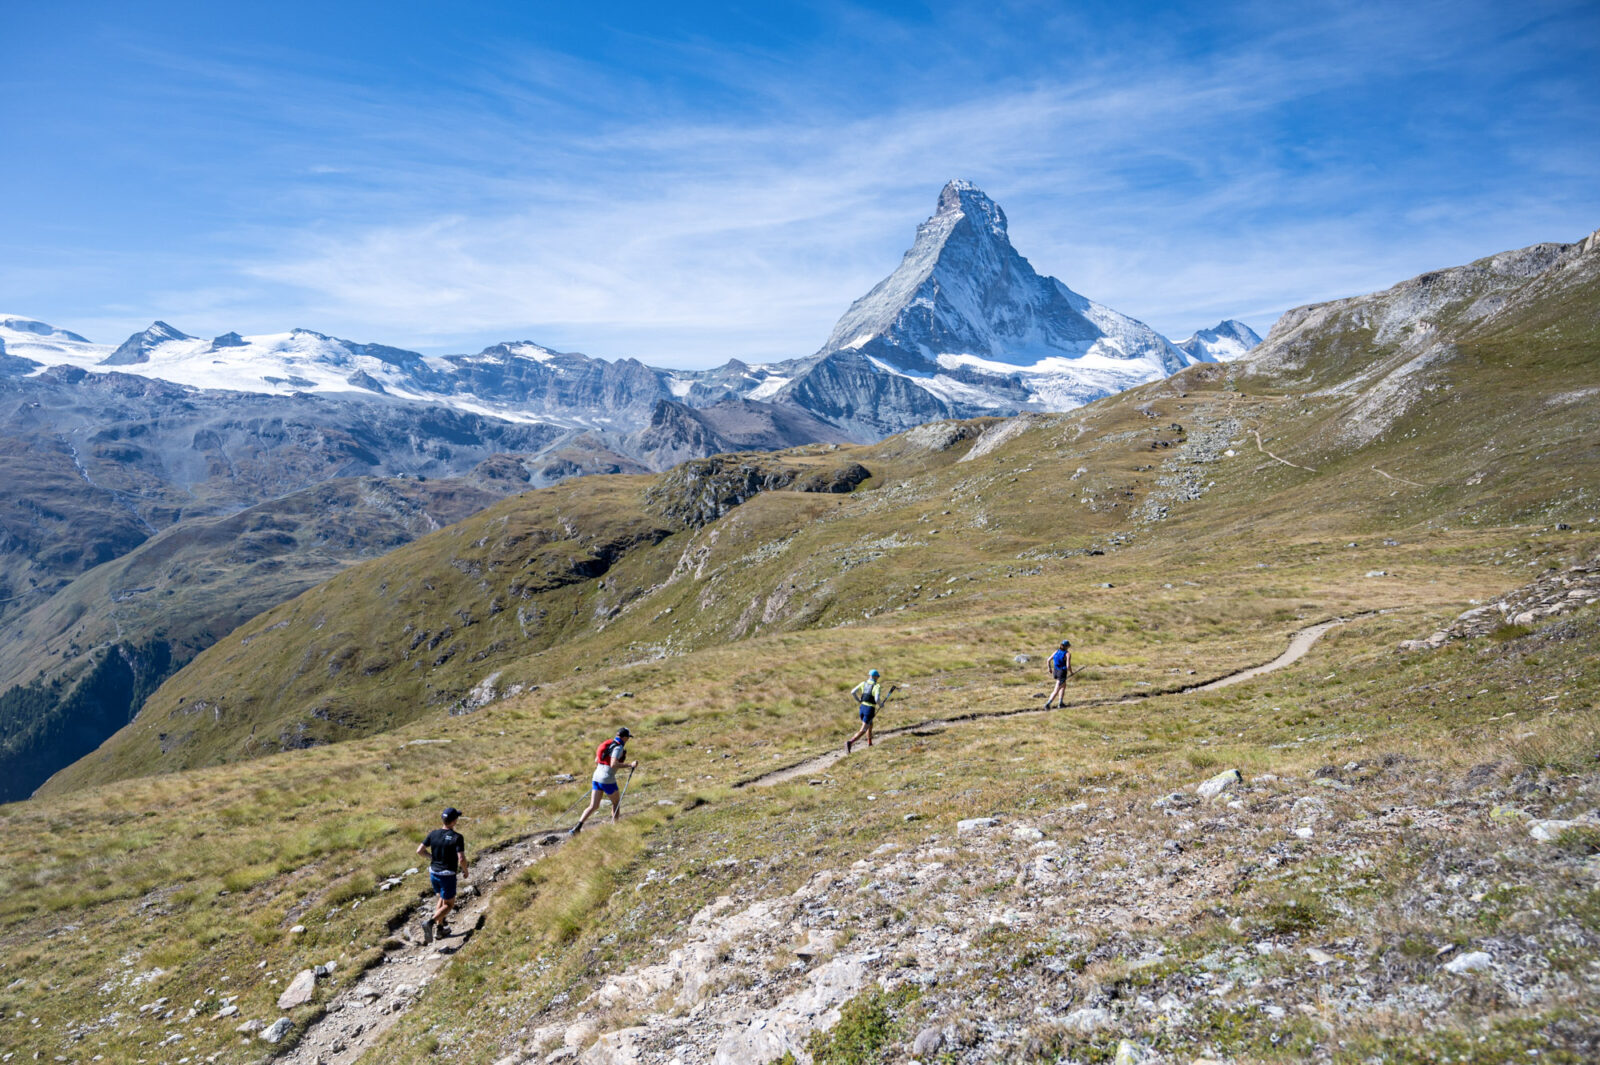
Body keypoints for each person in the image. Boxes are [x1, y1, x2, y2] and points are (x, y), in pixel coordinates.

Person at [416, 807, 469, 945]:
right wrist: (465, 871)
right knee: (449, 904)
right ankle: (430, 922)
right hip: (447, 875)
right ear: (454, 821)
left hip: (434, 873)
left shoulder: (433, 833)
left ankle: (440, 929)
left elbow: (420, 851)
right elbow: (461, 859)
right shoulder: (457, 837)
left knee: (441, 897)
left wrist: (432, 857)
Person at [571, 727, 638, 835]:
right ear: (624, 737)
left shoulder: (607, 743)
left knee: (593, 806)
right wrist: (631, 765)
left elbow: (596, 760)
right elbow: (613, 764)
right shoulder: (618, 747)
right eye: (628, 738)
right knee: (616, 802)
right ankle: (615, 828)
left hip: (596, 776)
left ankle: (577, 828)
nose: (628, 739)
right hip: (607, 778)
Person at [846, 669, 885, 753]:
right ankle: (850, 742)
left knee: (870, 725)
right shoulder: (876, 686)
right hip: (869, 709)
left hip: (862, 708)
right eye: (877, 676)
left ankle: (870, 743)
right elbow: (877, 698)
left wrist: (859, 700)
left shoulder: (863, 683)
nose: (878, 678)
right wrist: (880, 704)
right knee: (863, 729)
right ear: (874, 676)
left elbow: (853, 692)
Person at [1044, 640, 1072, 708]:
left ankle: (1061, 702)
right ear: (1067, 646)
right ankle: (1048, 704)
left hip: (1056, 672)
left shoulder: (1056, 651)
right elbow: (1068, 666)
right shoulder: (1067, 654)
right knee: (1056, 689)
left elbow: (1048, 660)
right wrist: (1071, 672)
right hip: (1062, 673)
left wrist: (1049, 668)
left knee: (1063, 686)